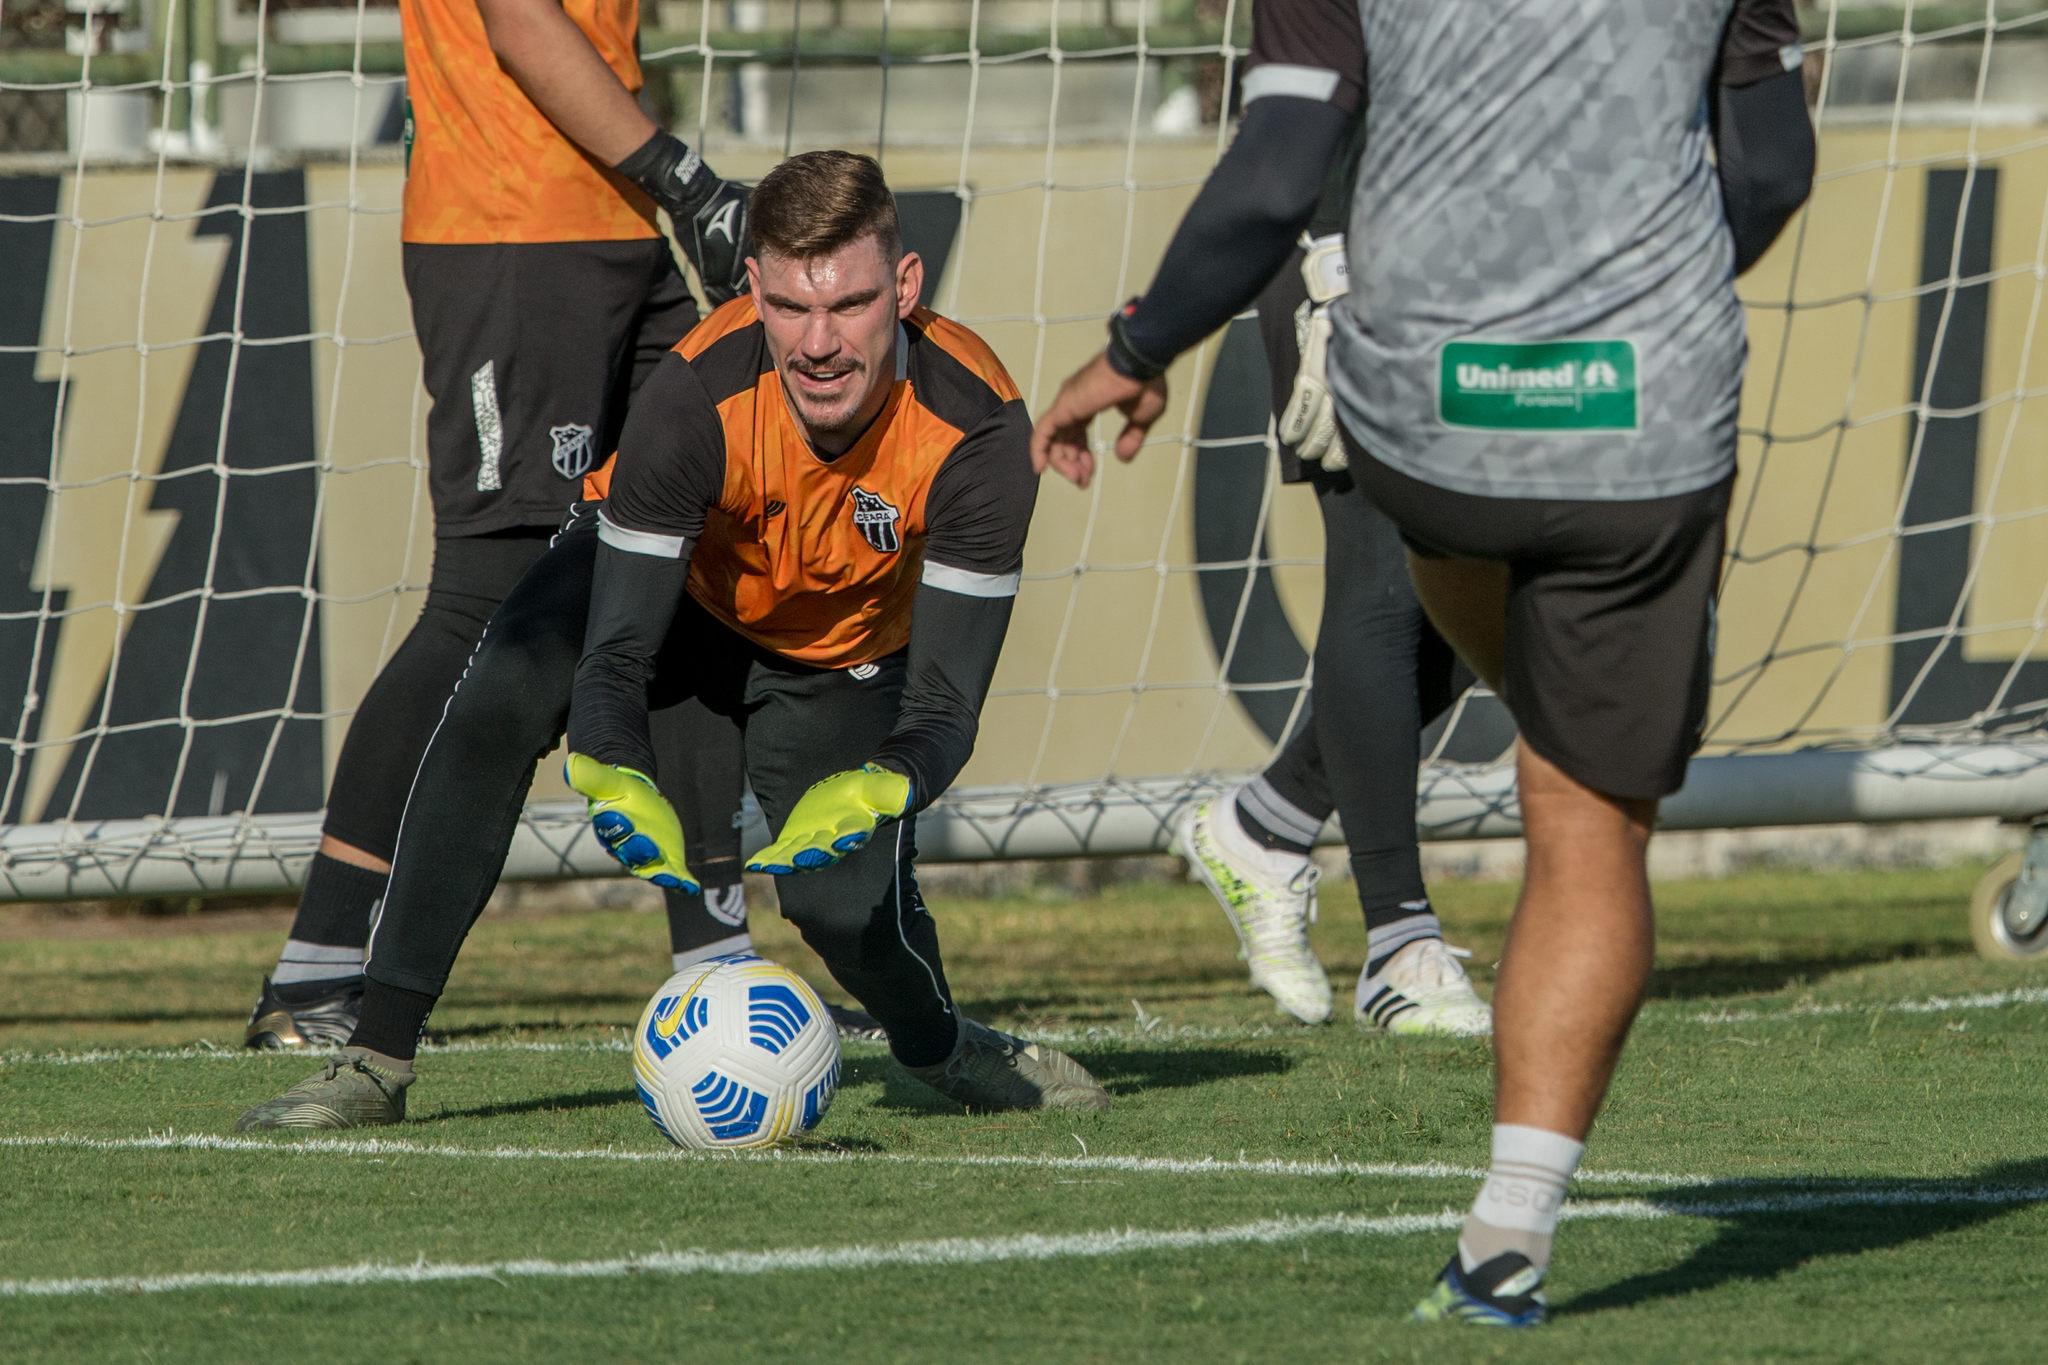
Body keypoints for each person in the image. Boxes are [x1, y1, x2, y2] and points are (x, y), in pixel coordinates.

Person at [1030, 0, 1812, 1325]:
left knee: (1413, 576)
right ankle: (1507, 1233)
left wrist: (1134, 349)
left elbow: (1275, 171)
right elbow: (1775, 165)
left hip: (1434, 414)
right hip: (1649, 413)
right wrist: (1661, 280)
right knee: (1585, 824)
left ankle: (1295, 828)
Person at [235, 150, 1108, 1132]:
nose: (818, 344)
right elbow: (614, 658)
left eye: (849, 306)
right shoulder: (693, 397)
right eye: (789, 308)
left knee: (839, 905)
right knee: (504, 683)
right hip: (678, 602)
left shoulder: (978, 433)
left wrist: (887, 781)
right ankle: (374, 1059)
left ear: (904, 288)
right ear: (752, 292)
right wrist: (610, 765)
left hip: (833, 653)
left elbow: (945, 707)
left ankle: (940, 1044)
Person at [241, 0, 767, 1049]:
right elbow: (522, 20)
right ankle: (318, 971)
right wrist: (689, 181)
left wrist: (662, 189)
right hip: (512, 225)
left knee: (680, 568)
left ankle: (720, 971)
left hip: (620, 220)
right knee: (488, 599)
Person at [1178, 144, 1488, 1036]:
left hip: (1504, 239)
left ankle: (1267, 824)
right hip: (1363, 243)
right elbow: (1309, 67)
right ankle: (1398, 940)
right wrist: (1332, 252)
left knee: (1523, 575)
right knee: (1383, 564)